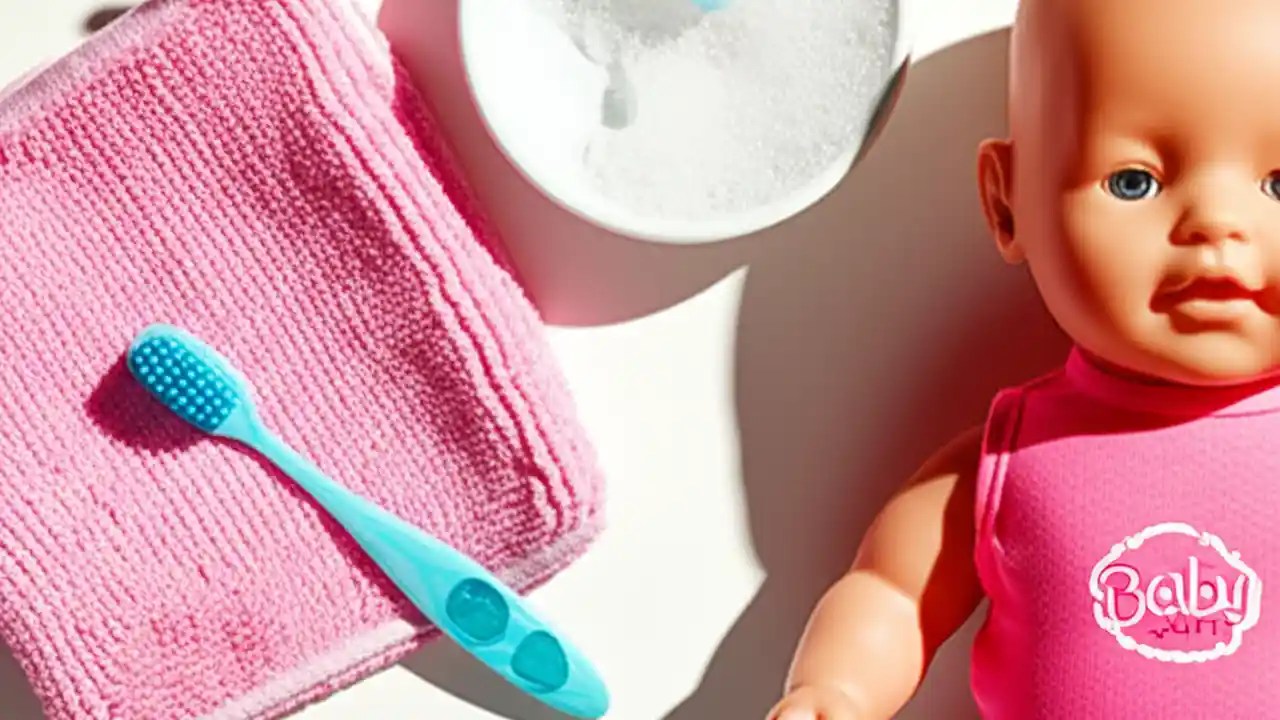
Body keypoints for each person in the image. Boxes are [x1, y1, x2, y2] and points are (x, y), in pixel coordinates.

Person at [767, 0, 1280, 717]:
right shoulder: (1008, 460)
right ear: (1009, 205)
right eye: (1134, 181)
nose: (1216, 225)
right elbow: (892, 591)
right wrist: (836, 691)